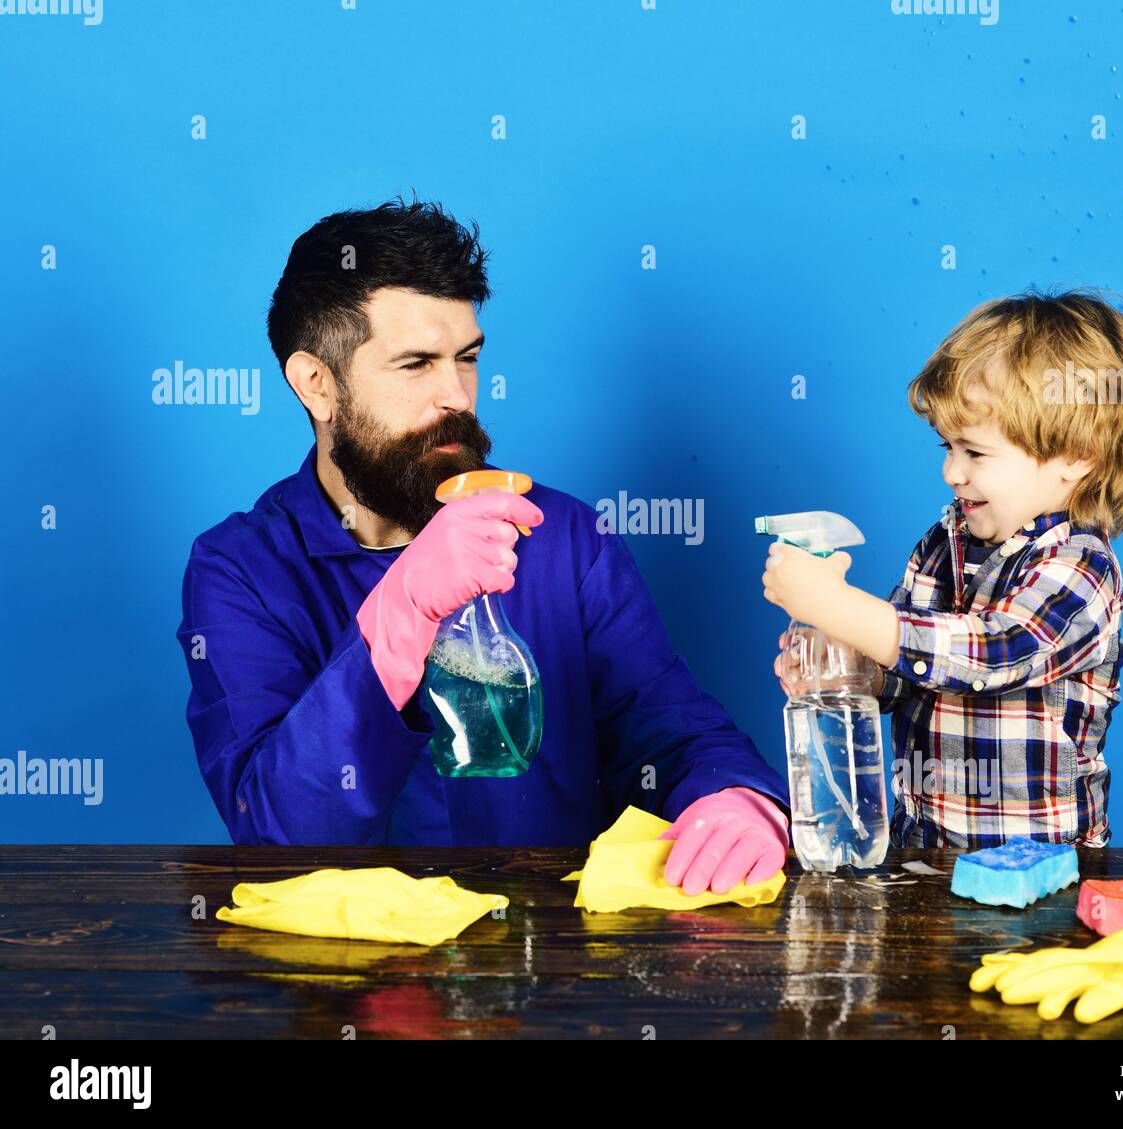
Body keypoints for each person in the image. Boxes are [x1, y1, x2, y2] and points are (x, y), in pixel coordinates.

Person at [177, 197, 789, 895]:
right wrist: (397, 621)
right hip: (353, 960)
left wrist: (737, 797)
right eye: (415, 364)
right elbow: (279, 835)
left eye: (466, 358)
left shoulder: (563, 538)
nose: (457, 397)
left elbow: (671, 731)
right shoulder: (240, 571)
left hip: (552, 949)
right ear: (317, 384)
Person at [763, 290, 1123, 848]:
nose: (951, 471)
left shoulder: (1081, 565)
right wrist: (856, 668)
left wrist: (836, 605)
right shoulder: (942, 545)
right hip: (924, 852)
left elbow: (993, 654)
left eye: (975, 452)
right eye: (947, 447)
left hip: (1038, 870)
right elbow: (910, 668)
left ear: (1076, 456)